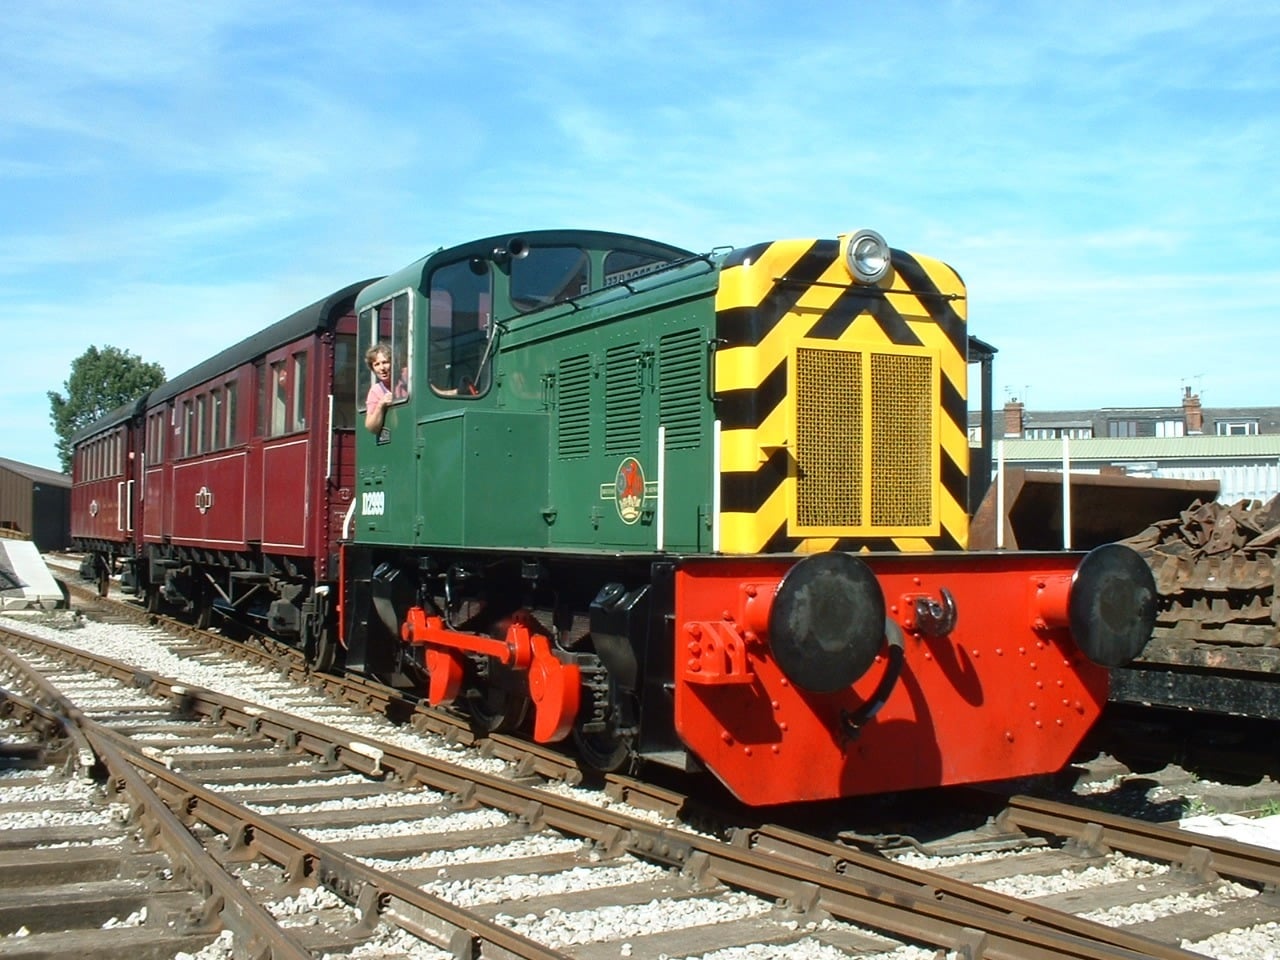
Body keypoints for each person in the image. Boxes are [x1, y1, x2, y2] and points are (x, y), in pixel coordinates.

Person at [364, 343, 407, 434]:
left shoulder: (407, 375)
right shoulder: (376, 390)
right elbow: (371, 427)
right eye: (376, 364)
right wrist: (381, 404)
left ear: (393, 362)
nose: (382, 368)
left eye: (385, 362)